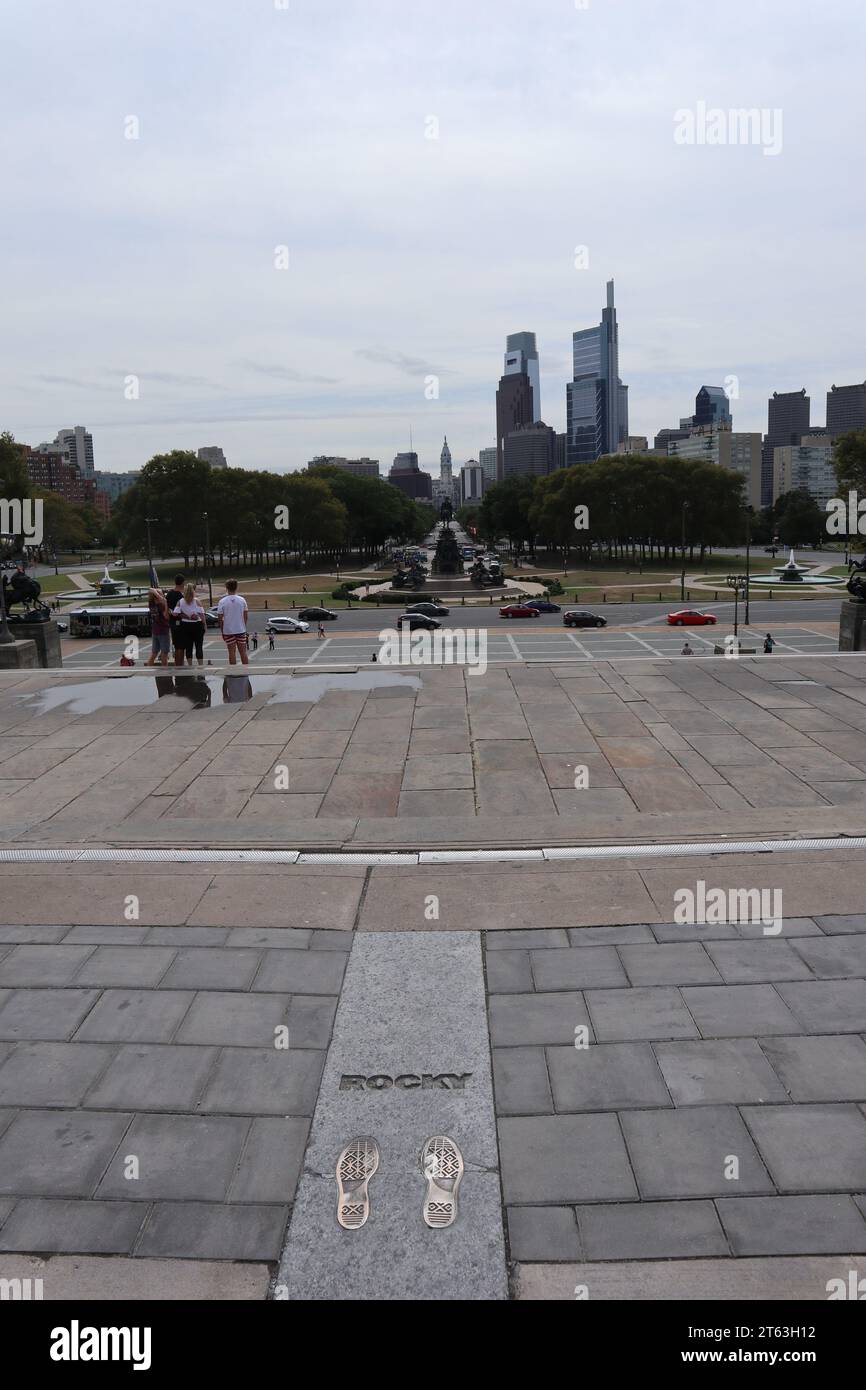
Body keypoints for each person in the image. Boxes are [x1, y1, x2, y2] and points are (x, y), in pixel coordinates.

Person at [217, 578, 249, 665]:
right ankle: (246, 672)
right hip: (240, 629)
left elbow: (220, 618)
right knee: (243, 653)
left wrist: (222, 630)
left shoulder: (222, 601)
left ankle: (233, 673)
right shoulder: (242, 600)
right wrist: (243, 626)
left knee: (231, 653)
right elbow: (245, 616)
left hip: (228, 631)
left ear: (226, 588)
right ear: (236, 587)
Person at [178, 583, 206, 667]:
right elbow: (202, 614)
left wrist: (184, 615)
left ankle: (190, 665)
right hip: (197, 625)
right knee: (199, 646)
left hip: (185, 625)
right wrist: (204, 624)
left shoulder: (180, 601)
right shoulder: (197, 601)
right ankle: (200, 665)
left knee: (188, 647)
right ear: (193, 591)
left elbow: (176, 613)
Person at [165, 573, 187, 667]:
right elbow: (183, 611)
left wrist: (170, 614)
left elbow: (166, 608)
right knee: (180, 647)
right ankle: (179, 666)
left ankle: (179, 665)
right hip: (180, 623)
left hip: (172, 623)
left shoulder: (169, 594)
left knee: (177, 645)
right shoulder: (181, 597)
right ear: (182, 583)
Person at [146, 587, 171, 667]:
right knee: (164, 654)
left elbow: (150, 589)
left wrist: (157, 594)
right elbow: (166, 617)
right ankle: (165, 674)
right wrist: (166, 604)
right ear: (158, 596)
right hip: (163, 631)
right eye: (161, 593)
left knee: (154, 653)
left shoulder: (151, 603)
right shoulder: (161, 605)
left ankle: (147, 672)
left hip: (155, 631)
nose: (163, 595)